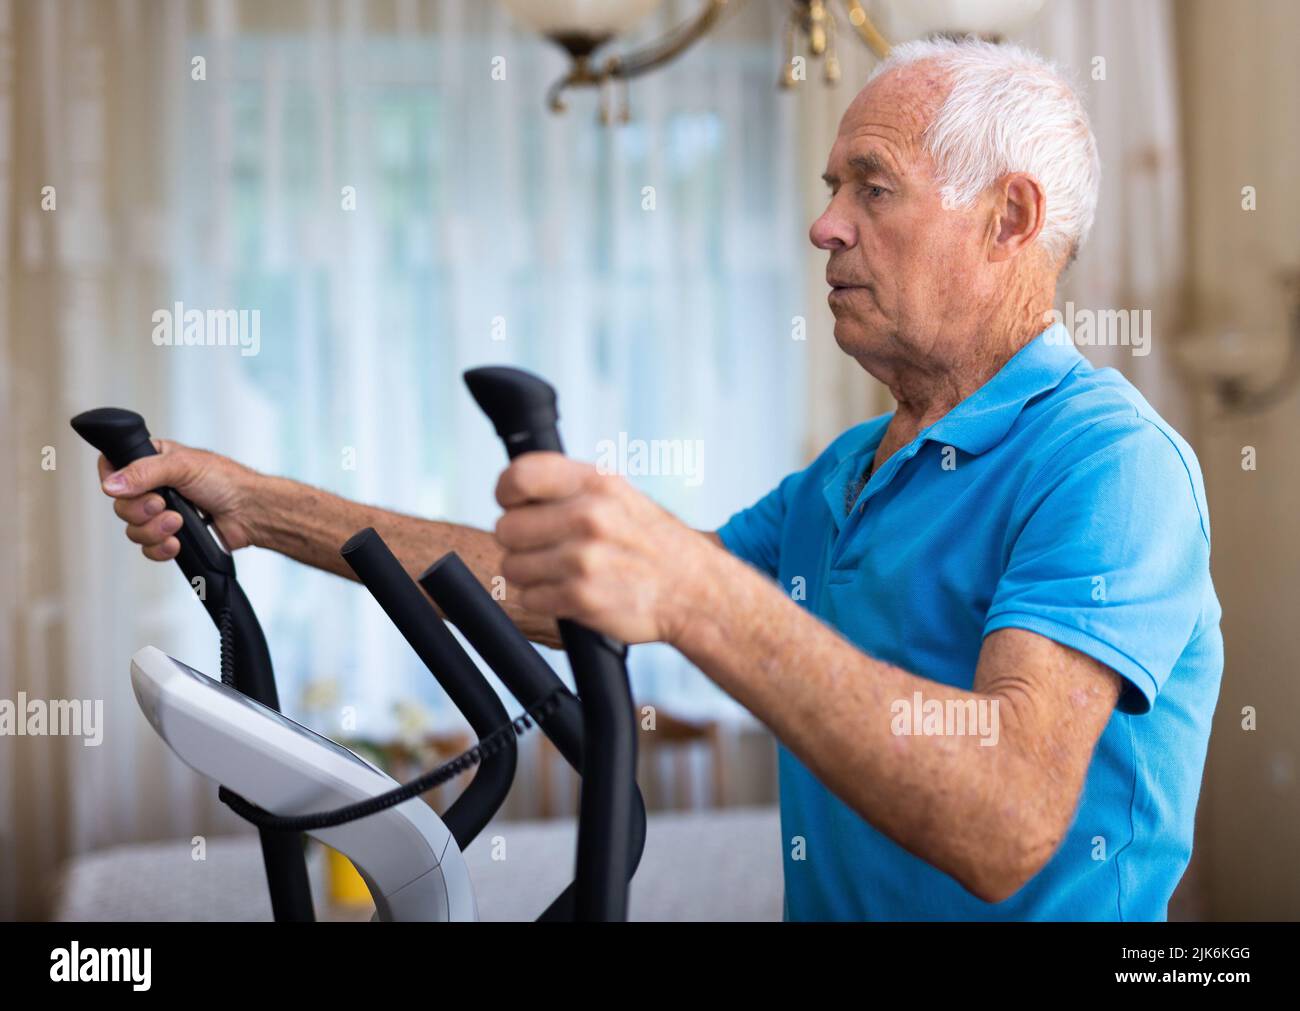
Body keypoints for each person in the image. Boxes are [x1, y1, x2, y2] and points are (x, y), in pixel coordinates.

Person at [95, 37, 1222, 921]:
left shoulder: (1107, 467)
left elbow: (1006, 822)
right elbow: (555, 588)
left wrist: (691, 586)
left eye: (871, 188)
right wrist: (261, 506)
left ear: (1008, 218)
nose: (822, 224)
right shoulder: (848, 472)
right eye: (832, 186)